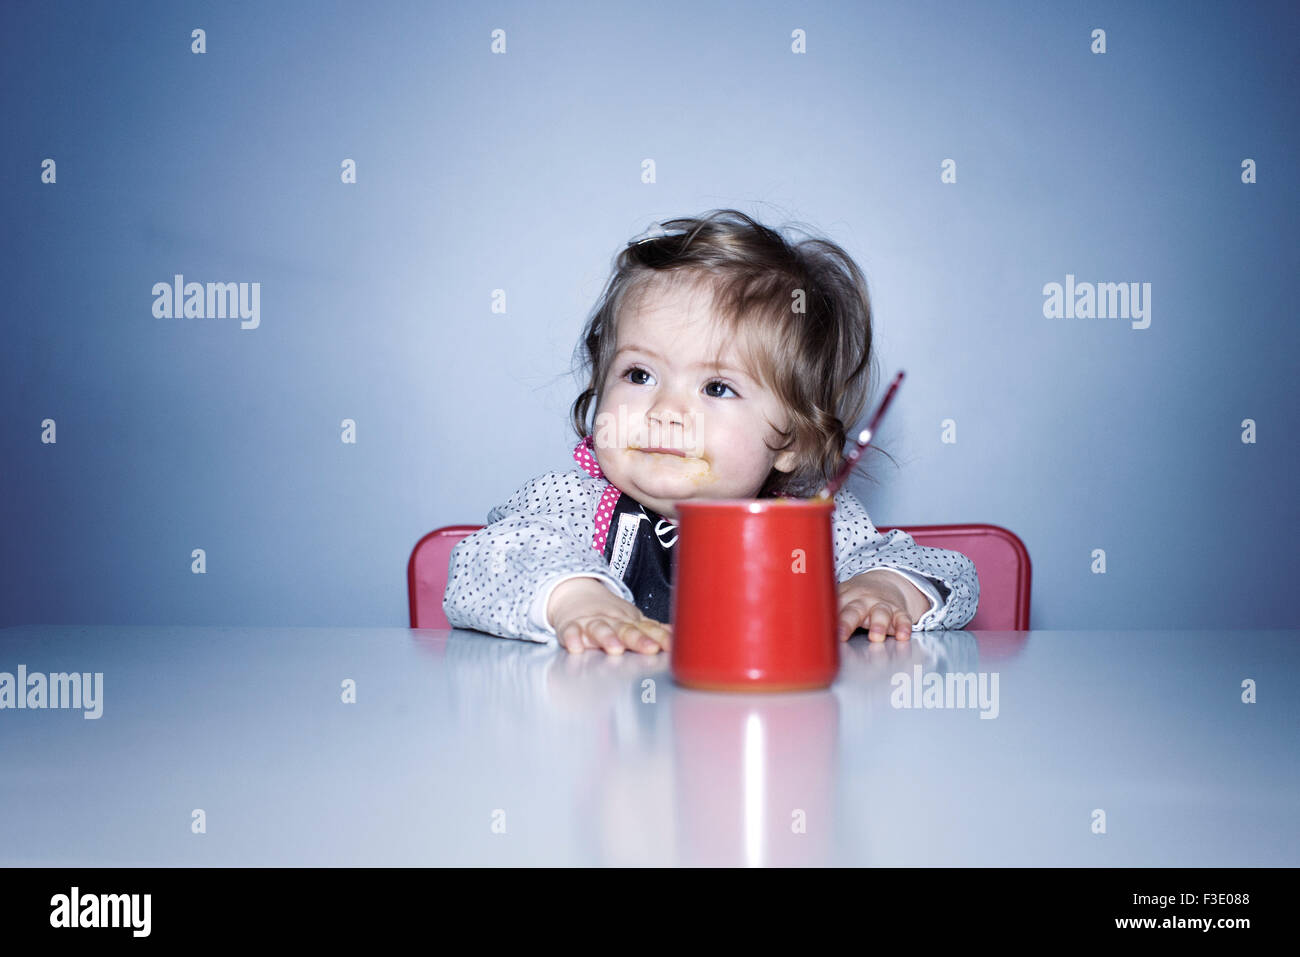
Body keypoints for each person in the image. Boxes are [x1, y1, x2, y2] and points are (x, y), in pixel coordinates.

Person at [443, 209, 979, 655]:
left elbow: (952, 572)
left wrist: (880, 589)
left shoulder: (811, 527)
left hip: (760, 748)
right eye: (639, 374)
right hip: (613, 747)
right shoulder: (571, 504)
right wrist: (576, 601)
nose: (666, 410)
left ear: (791, 442)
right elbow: (483, 563)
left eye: (717, 388)